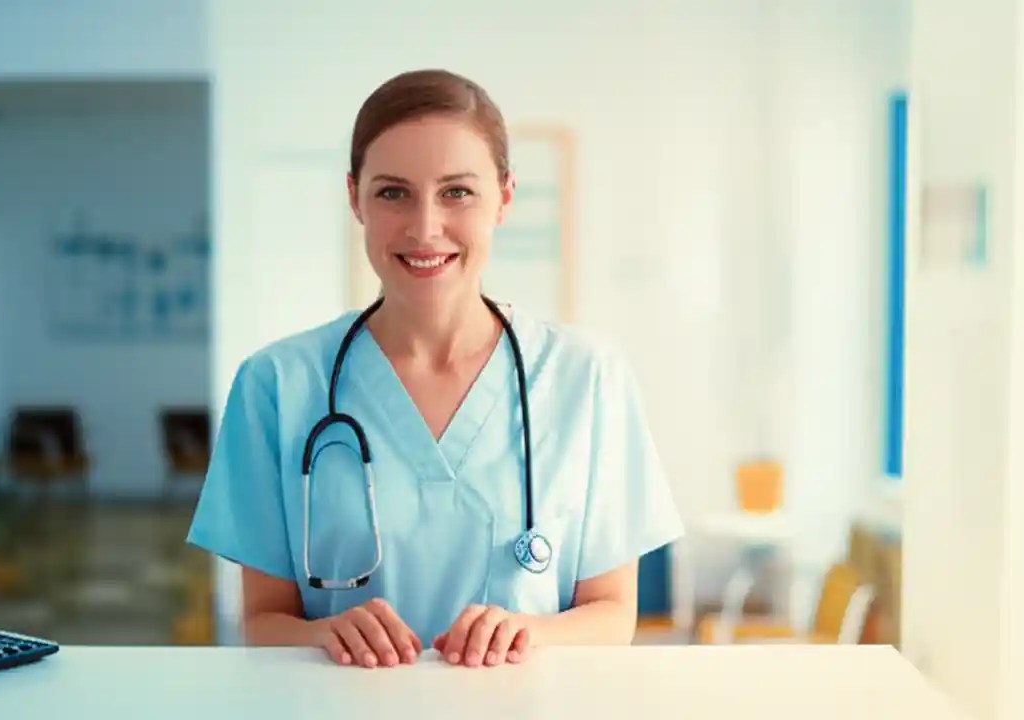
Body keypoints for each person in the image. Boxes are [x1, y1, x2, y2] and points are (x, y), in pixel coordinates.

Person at [186, 68, 682, 669]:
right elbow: (262, 621)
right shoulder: (277, 385)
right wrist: (326, 635)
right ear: (355, 198)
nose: (425, 228)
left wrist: (525, 633)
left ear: (504, 198)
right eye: (393, 192)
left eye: (457, 192)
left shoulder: (588, 378)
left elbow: (612, 613)